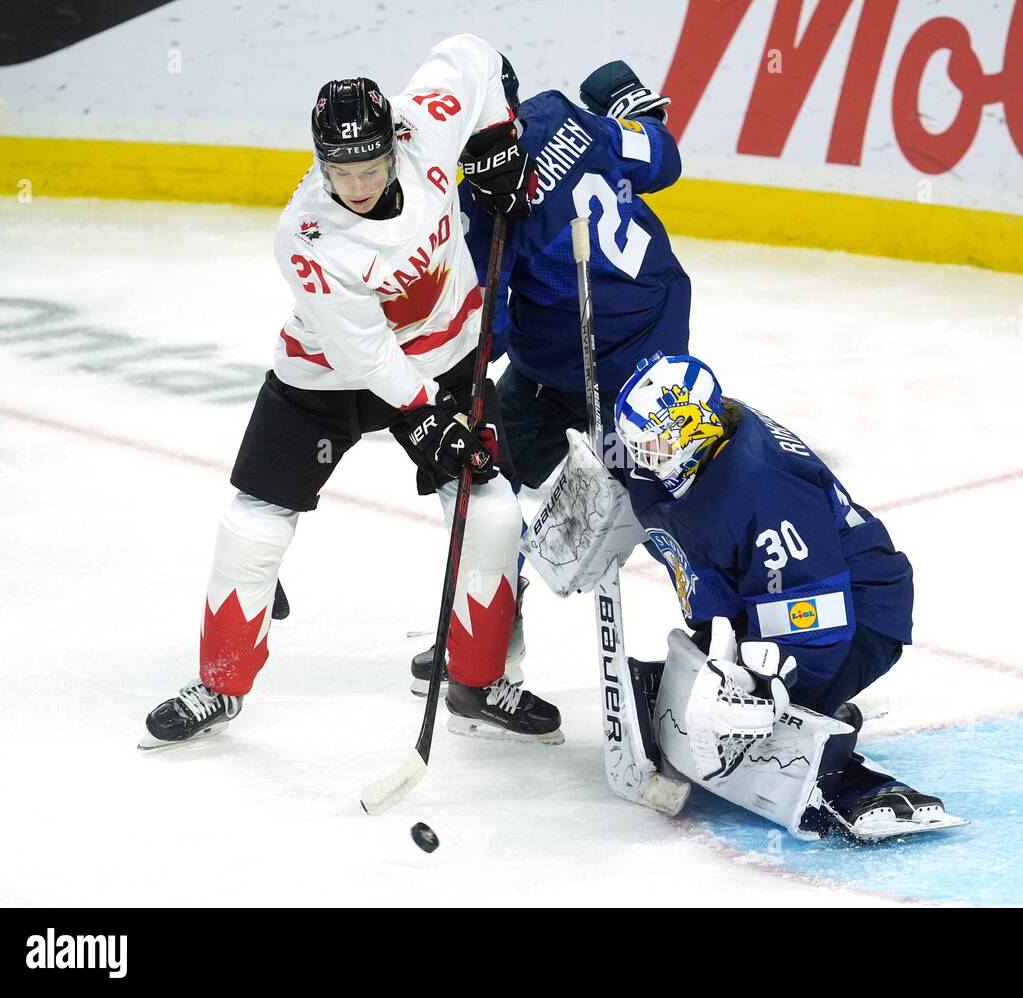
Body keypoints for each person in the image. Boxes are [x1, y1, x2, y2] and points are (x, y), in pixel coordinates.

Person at [140, 34, 563, 750]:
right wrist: (427, 415)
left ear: (394, 140)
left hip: (445, 354)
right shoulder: (306, 235)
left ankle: (477, 677)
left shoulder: (423, 125)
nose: (358, 184)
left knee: (489, 515)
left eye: (369, 165)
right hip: (327, 375)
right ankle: (219, 683)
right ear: (318, 160)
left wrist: (494, 140)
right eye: (340, 169)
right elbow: (366, 353)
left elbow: (473, 56)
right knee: (253, 523)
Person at [524, 352, 964, 840]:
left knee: (741, 721)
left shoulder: (764, 491)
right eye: (636, 443)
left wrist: (767, 690)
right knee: (710, 700)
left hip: (856, 615)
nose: (641, 456)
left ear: (698, 428)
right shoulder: (684, 447)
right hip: (760, 601)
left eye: (653, 444)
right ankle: (813, 705)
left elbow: (812, 616)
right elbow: (626, 471)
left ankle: (852, 776)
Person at [411, 59, 690, 691]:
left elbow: (490, 332)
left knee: (662, 501)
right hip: (602, 347)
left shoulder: (484, 208)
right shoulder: (565, 115)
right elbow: (663, 161)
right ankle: (484, 635)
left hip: (632, 362)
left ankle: (720, 640)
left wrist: (441, 372)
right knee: (487, 475)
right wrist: (625, 115)